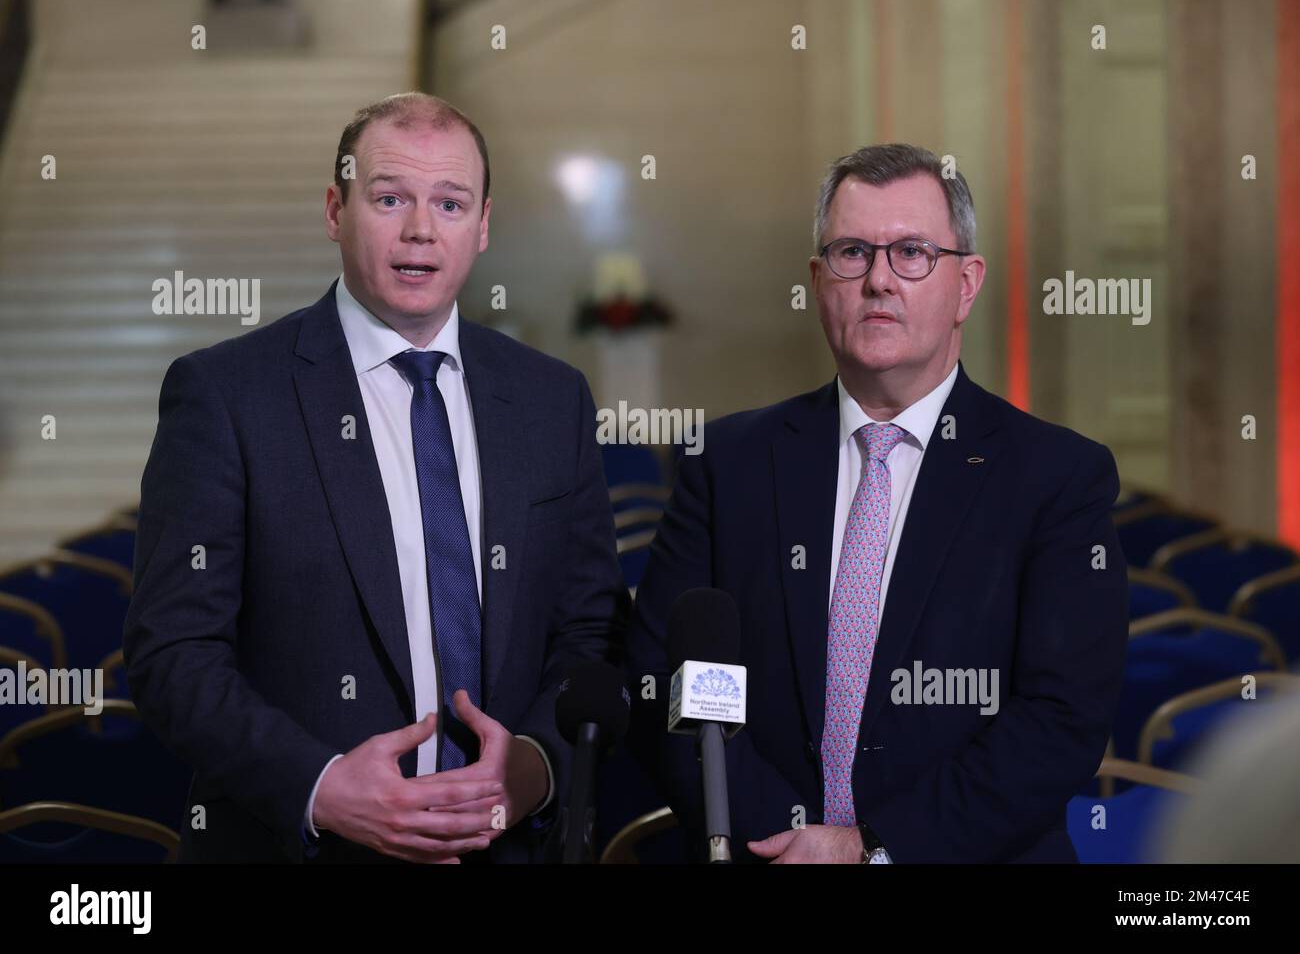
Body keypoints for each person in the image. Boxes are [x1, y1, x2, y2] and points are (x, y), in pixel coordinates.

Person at [124, 92, 628, 863]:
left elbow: (591, 632)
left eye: (450, 203)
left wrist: (531, 768)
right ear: (335, 209)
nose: (421, 229)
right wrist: (321, 786)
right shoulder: (226, 396)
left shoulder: (550, 399)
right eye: (389, 198)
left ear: (484, 224)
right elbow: (174, 655)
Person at [626, 143, 1128, 863]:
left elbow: (1060, 722)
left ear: (967, 284)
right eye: (852, 253)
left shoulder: (1057, 478)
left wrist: (869, 850)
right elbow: (667, 691)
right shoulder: (726, 464)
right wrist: (787, 845)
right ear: (817, 281)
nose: (879, 281)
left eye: (913, 253)